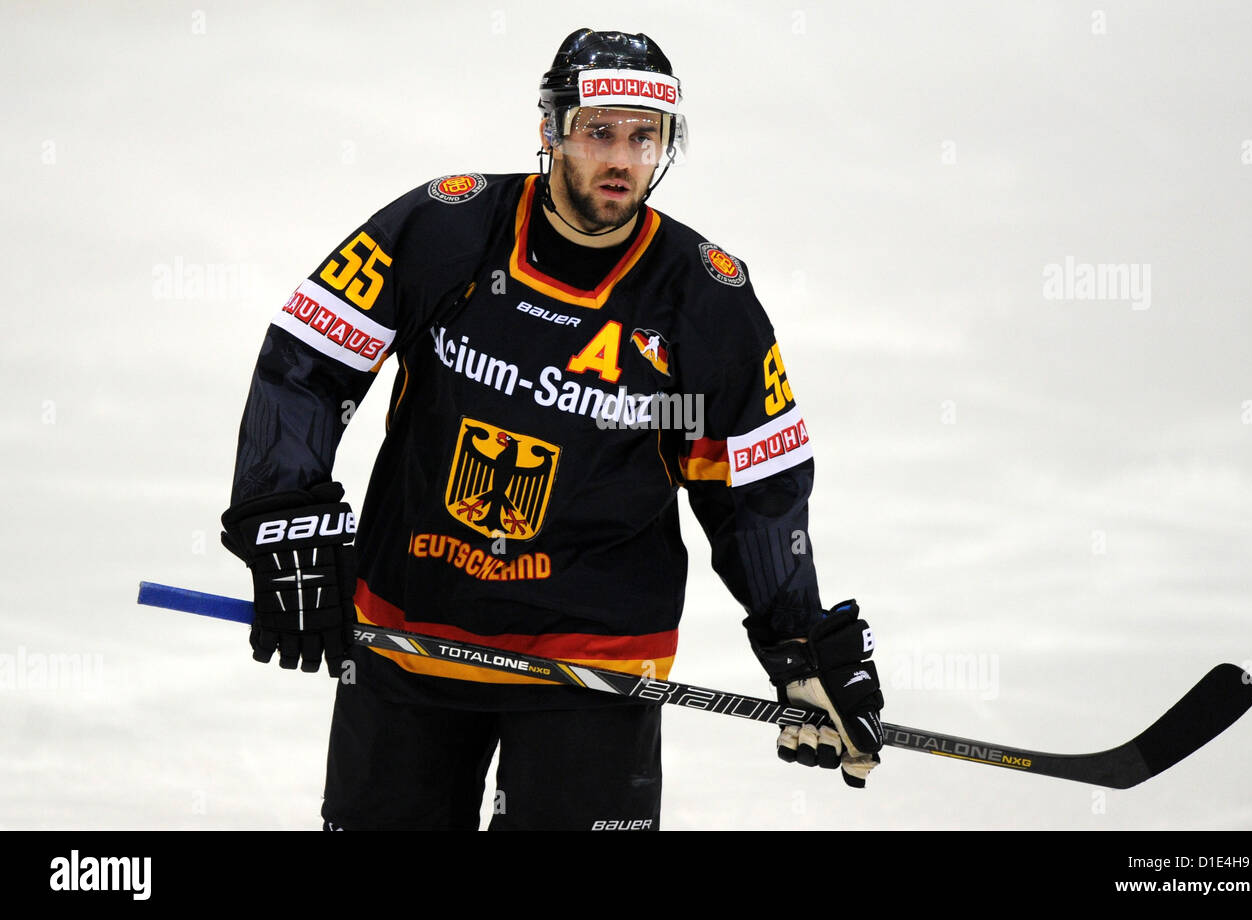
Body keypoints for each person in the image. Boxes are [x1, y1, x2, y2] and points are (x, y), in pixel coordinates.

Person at [218, 27, 885, 831]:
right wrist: (285, 512)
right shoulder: (445, 227)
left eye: (646, 137)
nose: (622, 158)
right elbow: (309, 364)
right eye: (599, 130)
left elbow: (752, 486)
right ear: (551, 131)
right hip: (409, 633)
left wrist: (801, 644)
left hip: (592, 665)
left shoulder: (706, 300)